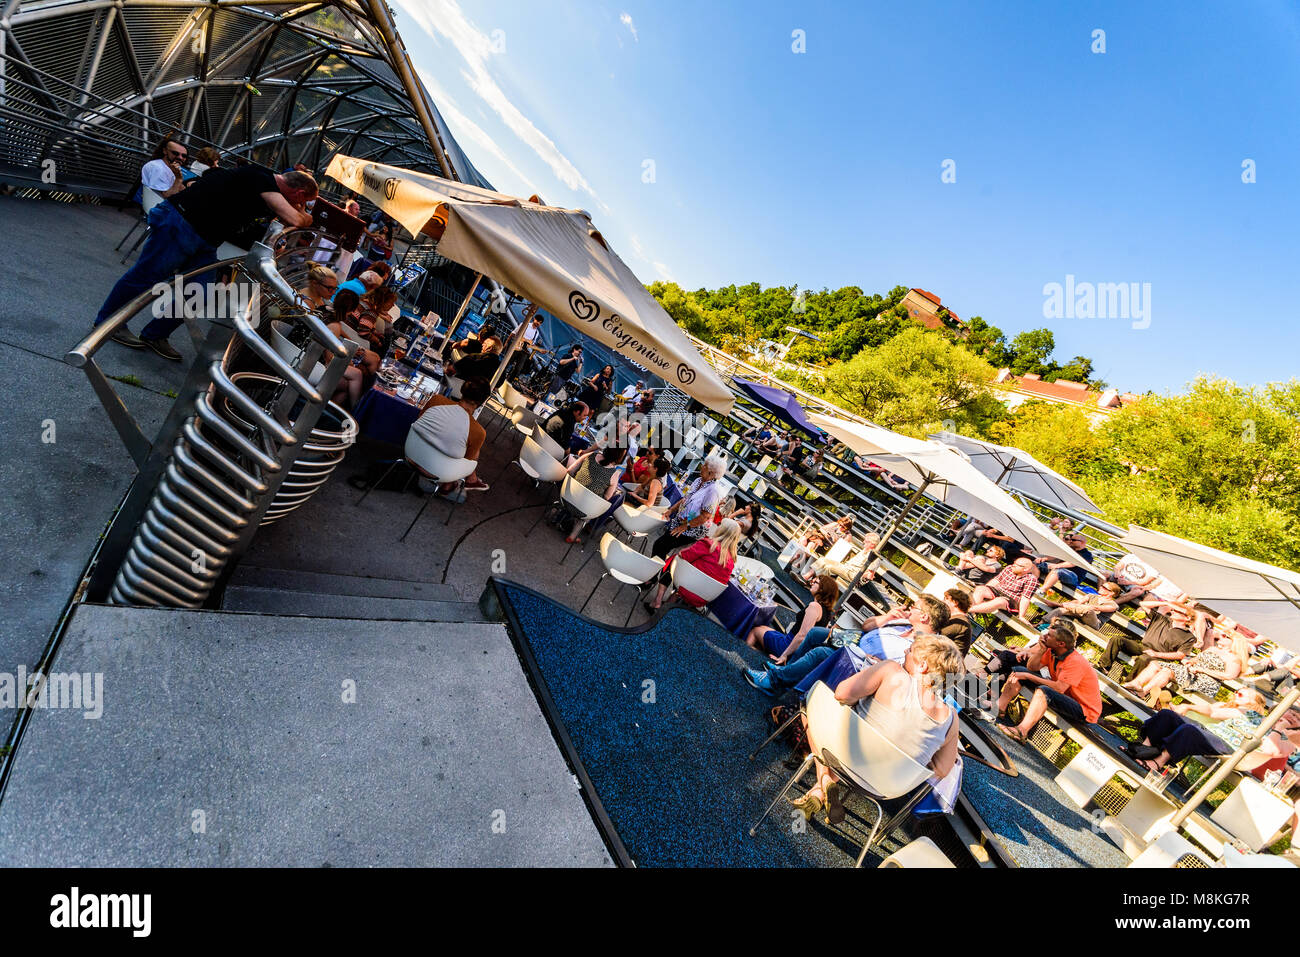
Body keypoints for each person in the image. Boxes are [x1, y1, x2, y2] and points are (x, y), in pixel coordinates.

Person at [95, 167, 317, 358]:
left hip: (204, 239)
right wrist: (304, 214)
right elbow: (297, 220)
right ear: (298, 192)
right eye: (303, 202)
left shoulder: (263, 184)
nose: (301, 206)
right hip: (181, 223)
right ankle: (108, 323)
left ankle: (155, 334)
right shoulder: (263, 179)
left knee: (200, 292)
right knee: (146, 276)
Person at [791, 635, 963, 824]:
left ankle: (823, 778)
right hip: (883, 787)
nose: (905, 652)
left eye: (910, 650)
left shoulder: (892, 671)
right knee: (870, 750)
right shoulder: (950, 718)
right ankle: (818, 791)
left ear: (922, 665)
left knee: (811, 703)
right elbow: (942, 769)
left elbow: (842, 694)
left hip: (844, 755)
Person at [744, 595, 950, 695]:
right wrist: (886, 618)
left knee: (820, 653)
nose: (910, 608)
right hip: (854, 641)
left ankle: (775, 681)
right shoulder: (902, 621)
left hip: (860, 665)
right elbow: (867, 626)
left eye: (915, 607)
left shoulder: (924, 648)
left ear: (924, 616)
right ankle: (788, 672)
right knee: (816, 633)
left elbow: (905, 673)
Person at [994, 621, 1103, 742]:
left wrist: (1028, 676)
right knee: (1019, 671)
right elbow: (1031, 667)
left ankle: (1021, 731)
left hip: (1084, 710)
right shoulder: (1052, 651)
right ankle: (999, 708)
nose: (1044, 635)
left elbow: (1059, 688)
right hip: (1064, 696)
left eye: (1049, 635)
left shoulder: (1075, 661)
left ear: (1060, 643)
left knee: (1044, 691)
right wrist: (1041, 650)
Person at [1128, 690, 1276, 772]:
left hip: (1228, 746)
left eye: (1241, 694)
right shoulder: (1230, 706)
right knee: (1168, 715)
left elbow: (1212, 712)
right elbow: (1212, 710)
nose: (1236, 694)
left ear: (1253, 702)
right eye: (1236, 692)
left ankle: (1157, 763)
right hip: (1209, 732)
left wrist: (1188, 706)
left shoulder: (1252, 714)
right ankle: (1144, 750)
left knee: (1189, 730)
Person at [410, 377, 493, 500]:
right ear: (482, 402)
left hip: (411, 454)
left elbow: (419, 420)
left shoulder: (436, 400)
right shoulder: (478, 432)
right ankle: (454, 483)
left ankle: (458, 482)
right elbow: (466, 461)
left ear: (462, 390)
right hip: (438, 472)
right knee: (472, 450)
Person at [1122, 631, 1252, 704]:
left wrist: (1202, 670)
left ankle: (1142, 693)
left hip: (1205, 682)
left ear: (1234, 642)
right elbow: (1198, 659)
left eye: (1226, 637)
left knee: (1167, 671)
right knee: (1155, 664)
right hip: (1190, 672)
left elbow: (1229, 676)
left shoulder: (1234, 659)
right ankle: (1136, 684)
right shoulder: (1213, 648)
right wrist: (1190, 662)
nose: (1222, 637)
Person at [644, 519, 742, 612]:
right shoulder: (731, 561)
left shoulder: (708, 544)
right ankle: (669, 606)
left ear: (721, 530)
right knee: (694, 575)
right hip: (703, 598)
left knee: (673, 560)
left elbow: (683, 555)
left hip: (686, 587)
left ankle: (657, 600)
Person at [1096, 597, 1203, 677]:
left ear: (1187, 618)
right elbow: (1143, 604)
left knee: (1144, 659)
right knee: (1117, 639)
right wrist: (1165, 603)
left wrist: (1156, 653)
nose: (1173, 611)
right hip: (1142, 647)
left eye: (1178, 611)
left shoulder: (1189, 637)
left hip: (1159, 657)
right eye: (1174, 610)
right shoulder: (1162, 619)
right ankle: (1103, 667)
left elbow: (1180, 655)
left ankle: (1129, 684)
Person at [747, 575, 840, 660]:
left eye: (815, 582)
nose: (812, 582)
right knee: (762, 627)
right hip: (794, 644)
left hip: (788, 645)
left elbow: (802, 636)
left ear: (822, 589)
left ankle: (744, 652)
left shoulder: (814, 606)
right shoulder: (827, 613)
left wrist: (784, 655)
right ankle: (759, 654)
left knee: (755, 631)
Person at [650, 455, 726, 558]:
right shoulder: (698, 480)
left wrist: (685, 526)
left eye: (705, 465)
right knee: (661, 546)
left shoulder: (713, 491)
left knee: (661, 545)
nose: (701, 466)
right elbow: (685, 499)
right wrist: (671, 510)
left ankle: (655, 571)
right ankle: (657, 570)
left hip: (692, 528)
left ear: (711, 472)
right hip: (681, 521)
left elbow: (705, 516)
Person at [562, 445, 627, 545]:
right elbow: (607, 497)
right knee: (591, 509)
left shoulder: (591, 455)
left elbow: (569, 471)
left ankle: (557, 515)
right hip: (585, 511)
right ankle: (572, 536)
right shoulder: (614, 474)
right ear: (619, 457)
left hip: (566, 497)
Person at [968, 556, 1041, 620]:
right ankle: (970, 614)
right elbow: (996, 580)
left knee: (999, 601)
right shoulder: (1009, 568)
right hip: (998, 591)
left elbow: (1025, 598)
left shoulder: (1032, 580)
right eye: (1014, 563)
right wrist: (985, 589)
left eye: (1016, 565)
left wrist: (1021, 616)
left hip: (1011, 600)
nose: (1013, 565)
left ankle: (967, 610)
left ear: (1025, 569)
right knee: (981, 588)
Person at [1041, 581, 1122, 631]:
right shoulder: (1091, 595)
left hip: (1095, 622)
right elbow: (1079, 601)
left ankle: (1059, 604)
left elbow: (1096, 608)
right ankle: (1041, 624)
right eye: (1102, 586)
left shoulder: (1114, 605)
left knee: (1089, 608)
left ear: (1111, 593)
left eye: (1104, 587)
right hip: (1081, 612)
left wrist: (1070, 606)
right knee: (1061, 610)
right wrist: (1071, 604)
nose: (1101, 587)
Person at [788, 515, 853, 578]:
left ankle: (797, 561)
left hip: (826, 548)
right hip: (819, 540)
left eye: (843, 527)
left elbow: (841, 548)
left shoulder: (847, 536)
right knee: (807, 542)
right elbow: (822, 528)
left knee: (812, 545)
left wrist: (836, 541)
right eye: (840, 524)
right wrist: (825, 533)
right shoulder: (835, 524)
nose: (840, 527)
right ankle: (797, 562)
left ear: (847, 529)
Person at [140, 134, 188, 200]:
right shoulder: (157, 167)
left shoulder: (172, 168)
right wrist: (178, 179)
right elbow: (168, 197)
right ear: (165, 151)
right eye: (175, 153)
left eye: (184, 156)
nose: (180, 157)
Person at [939, 588, 973, 655]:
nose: (942, 601)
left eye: (946, 598)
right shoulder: (956, 618)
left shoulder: (961, 622)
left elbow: (936, 634)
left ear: (955, 602)